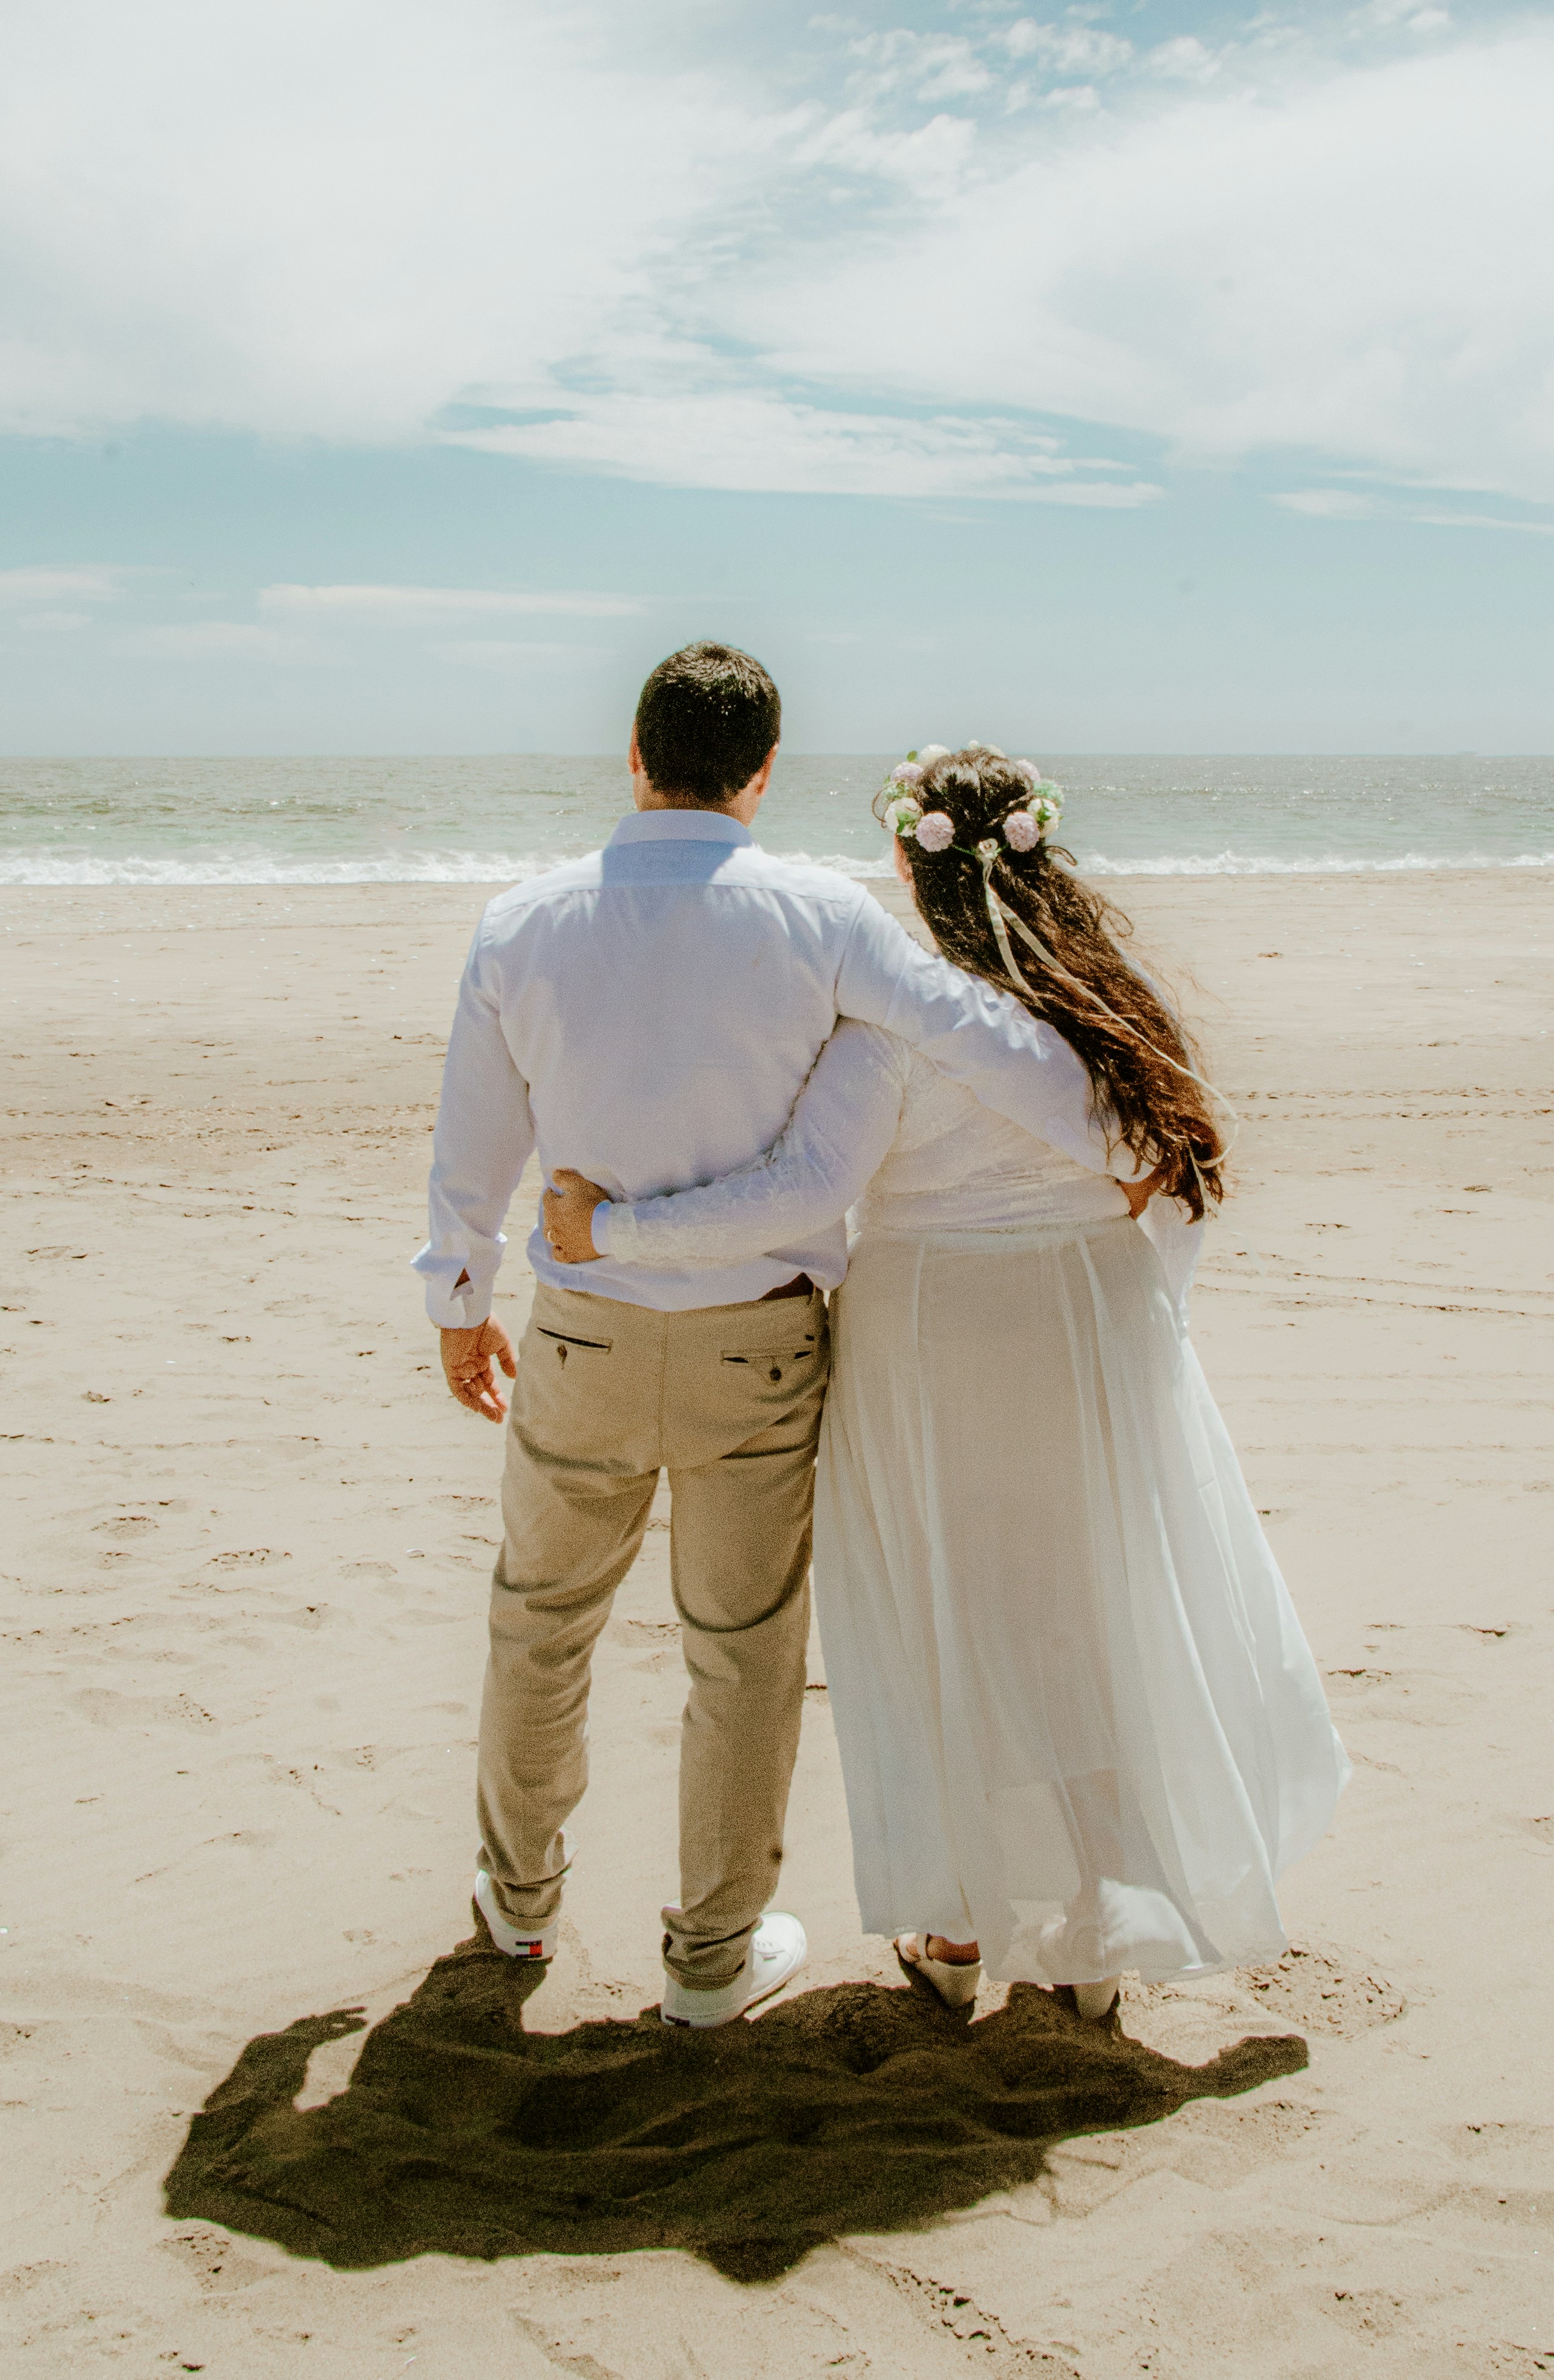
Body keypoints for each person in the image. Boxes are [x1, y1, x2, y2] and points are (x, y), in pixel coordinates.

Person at [543, 743, 1348, 2018]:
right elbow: (1175, 1191)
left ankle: (958, 1931)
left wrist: (614, 1234)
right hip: (1091, 1323)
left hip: (933, 1337)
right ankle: (1093, 1933)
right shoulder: (1110, 1015)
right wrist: (1148, 1328)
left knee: (937, 1615)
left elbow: (803, 1191)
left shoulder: (900, 1028)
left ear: (918, 879)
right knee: (1085, 1614)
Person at [414, 655, 1140, 2029]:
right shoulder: (824, 916)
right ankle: (707, 1963)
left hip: (584, 1338)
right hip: (758, 1347)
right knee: (740, 1655)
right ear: (762, 771)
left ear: (635, 752)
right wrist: (1126, 1126)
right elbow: (972, 1035)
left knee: (541, 1625)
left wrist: (461, 1301)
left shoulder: (523, 925)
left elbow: (473, 1151)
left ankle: (517, 1912)